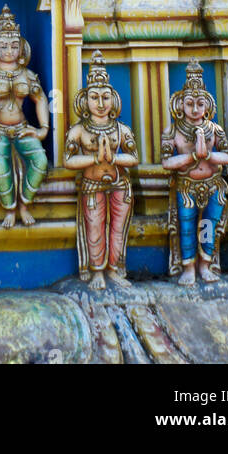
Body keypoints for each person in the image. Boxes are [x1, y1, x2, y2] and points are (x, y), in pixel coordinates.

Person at [64, 50, 138, 290]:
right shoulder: (78, 131)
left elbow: (134, 158)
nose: (100, 103)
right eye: (94, 97)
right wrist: (94, 159)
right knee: (95, 229)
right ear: (85, 100)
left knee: (117, 230)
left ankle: (114, 269)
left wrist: (114, 157)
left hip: (120, 186)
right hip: (92, 186)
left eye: (105, 97)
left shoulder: (121, 129)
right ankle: (97, 270)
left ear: (113, 100)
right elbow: (68, 160)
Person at [0, 6, 49, 228]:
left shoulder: (27, 74)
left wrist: (43, 128)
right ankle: (9, 208)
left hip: (22, 128)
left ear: (22, 48)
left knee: (41, 161)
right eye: (3, 45)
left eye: (14, 46)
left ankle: (24, 205)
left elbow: (41, 99)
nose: (9, 50)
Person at [161, 60, 228, 284]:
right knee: (187, 226)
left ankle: (205, 264)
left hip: (212, 185)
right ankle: (188, 267)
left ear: (207, 106)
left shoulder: (215, 130)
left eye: (200, 104)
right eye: (189, 103)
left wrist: (208, 156)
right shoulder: (173, 131)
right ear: (180, 104)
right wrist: (192, 156)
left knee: (208, 225)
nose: (194, 109)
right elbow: (166, 162)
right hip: (186, 186)